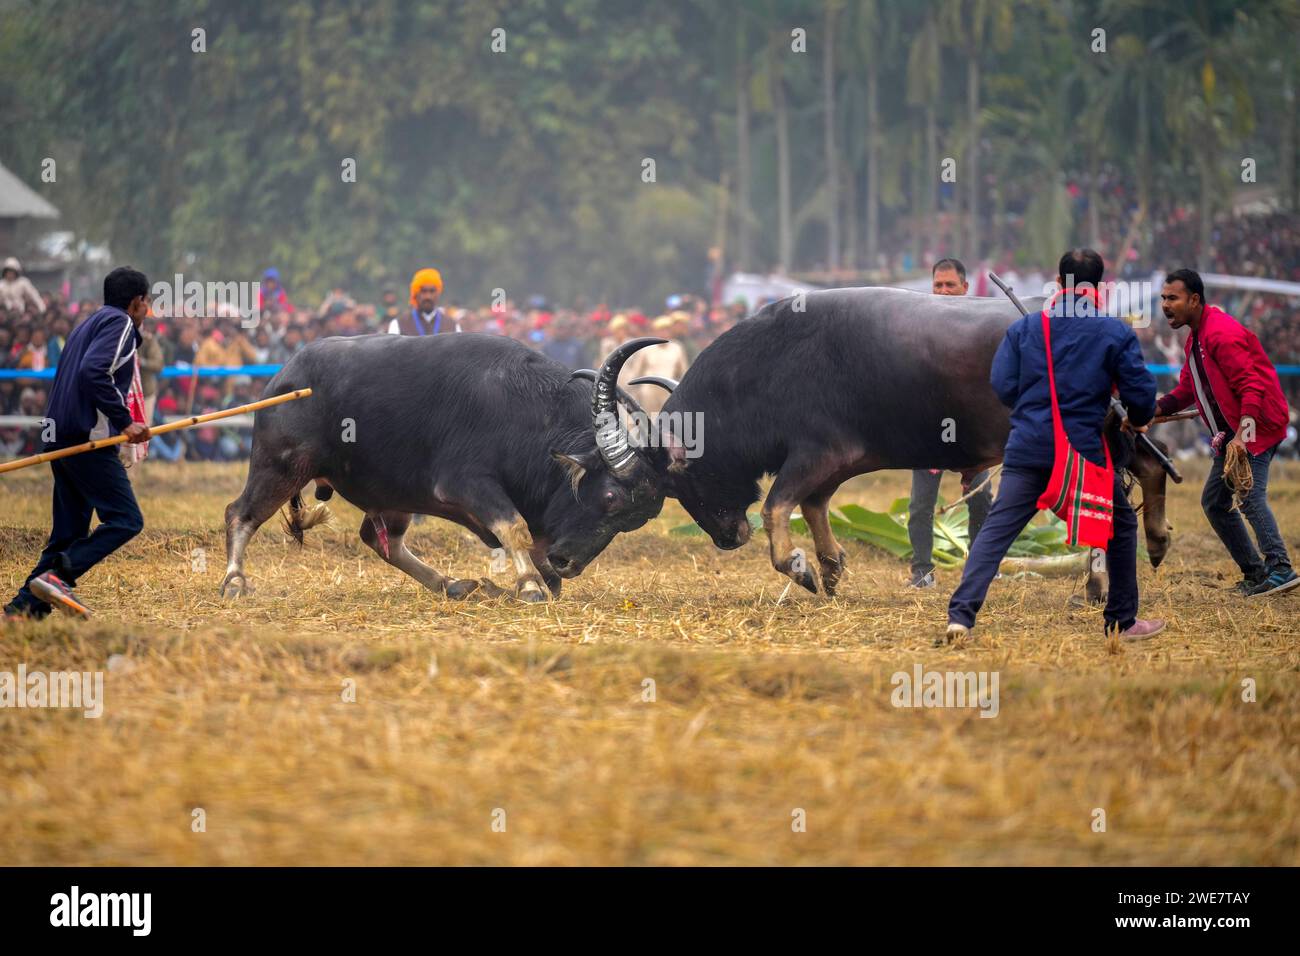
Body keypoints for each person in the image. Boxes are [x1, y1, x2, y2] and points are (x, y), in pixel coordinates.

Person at [945, 249, 1163, 643]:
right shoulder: (1114, 331)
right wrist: (1136, 414)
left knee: (996, 531)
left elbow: (1002, 384)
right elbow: (1141, 393)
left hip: (1027, 446)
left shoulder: (1026, 328)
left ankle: (960, 617)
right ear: (1097, 287)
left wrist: (1032, 409)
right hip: (1083, 454)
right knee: (1122, 525)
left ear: (1060, 283)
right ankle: (1122, 622)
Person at [4, 267, 152, 620]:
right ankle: (60, 575)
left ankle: (22, 611)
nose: (148, 311)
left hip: (60, 432)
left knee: (67, 534)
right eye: (147, 303)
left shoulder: (88, 322)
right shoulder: (120, 325)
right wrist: (124, 421)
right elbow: (92, 372)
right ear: (136, 302)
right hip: (87, 438)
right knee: (126, 519)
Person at [1154, 268, 1296, 597]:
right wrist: (1155, 410)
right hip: (1233, 434)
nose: (1165, 305)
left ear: (1194, 299)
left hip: (1255, 427)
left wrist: (1243, 435)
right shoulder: (1196, 338)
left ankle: (1281, 568)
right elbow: (1187, 391)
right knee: (1215, 502)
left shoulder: (1220, 334)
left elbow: (1252, 385)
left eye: (1172, 298)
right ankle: (1256, 571)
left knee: (1248, 495)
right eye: (1163, 298)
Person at [908, 258, 994, 588]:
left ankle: (982, 566)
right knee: (920, 505)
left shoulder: (983, 327)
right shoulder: (917, 329)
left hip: (972, 430)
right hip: (929, 430)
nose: (943, 291)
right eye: (938, 285)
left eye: (950, 285)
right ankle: (921, 571)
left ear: (965, 288)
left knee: (981, 498)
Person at [389, 268, 451, 335]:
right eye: (423, 291)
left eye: (432, 291)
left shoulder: (452, 325)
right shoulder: (398, 324)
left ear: (438, 294)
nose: (428, 296)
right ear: (415, 294)